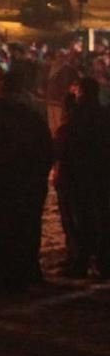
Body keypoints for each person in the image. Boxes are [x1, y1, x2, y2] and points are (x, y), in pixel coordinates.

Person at [0, 71, 57, 292]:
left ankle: (4, 271)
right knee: (23, 228)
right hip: (26, 186)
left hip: (6, 186)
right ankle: (22, 269)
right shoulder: (31, 117)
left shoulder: (4, 121)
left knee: (3, 228)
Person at [54, 77, 108, 278]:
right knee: (101, 218)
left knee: (79, 219)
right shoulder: (104, 114)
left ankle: (80, 260)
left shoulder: (77, 117)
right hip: (100, 174)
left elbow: (63, 145)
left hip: (78, 174)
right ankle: (102, 261)